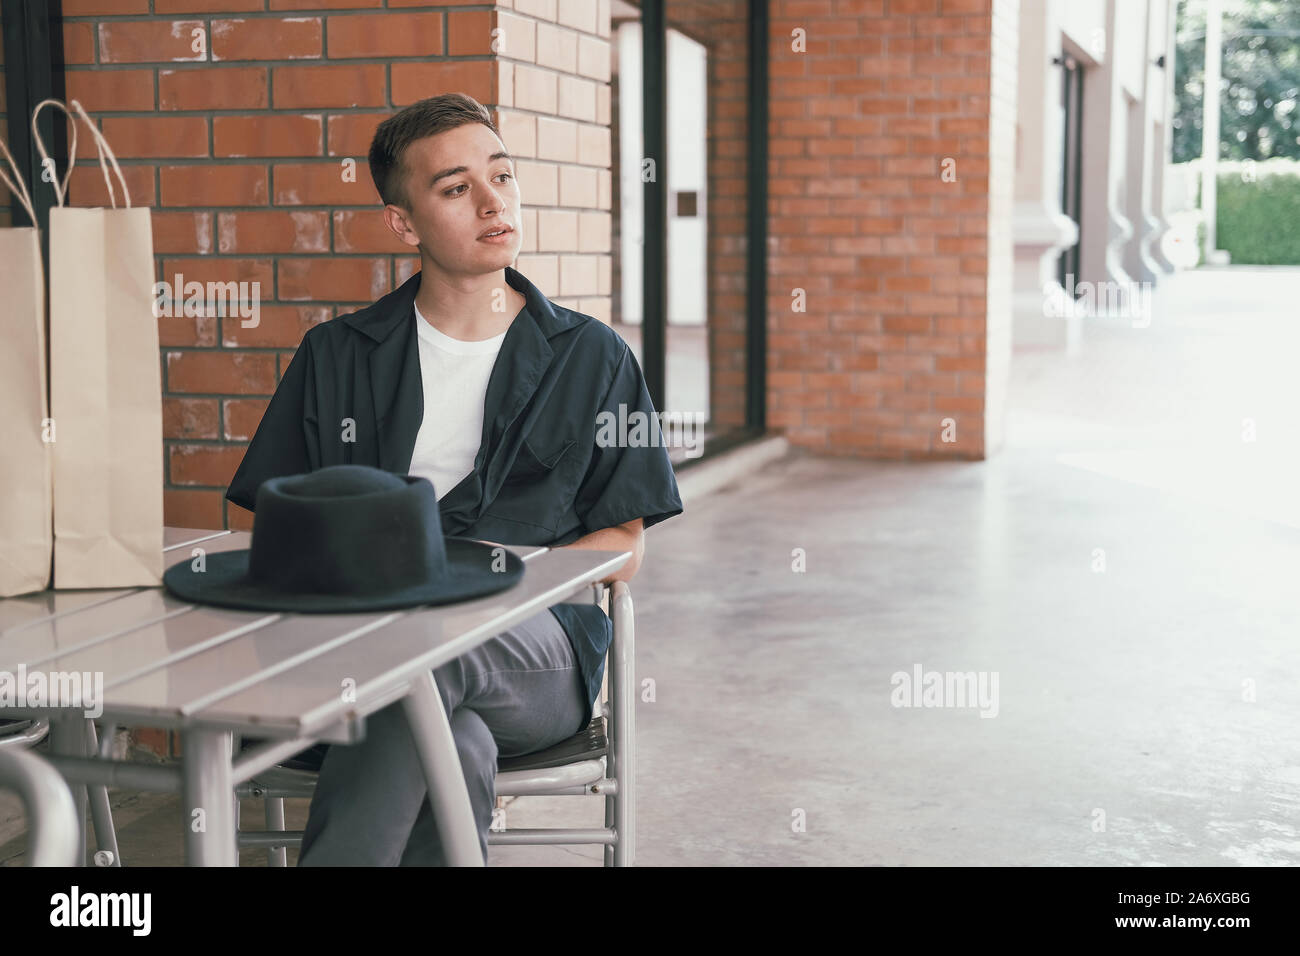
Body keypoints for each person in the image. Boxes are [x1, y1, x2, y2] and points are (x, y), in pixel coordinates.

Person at [223, 92, 684, 865]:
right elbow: (269, 524)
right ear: (404, 223)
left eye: (501, 176)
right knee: (454, 742)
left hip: (532, 652)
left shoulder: (592, 357)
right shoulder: (336, 356)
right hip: (353, 651)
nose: (492, 201)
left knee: (430, 656)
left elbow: (624, 544)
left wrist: (486, 593)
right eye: (456, 188)